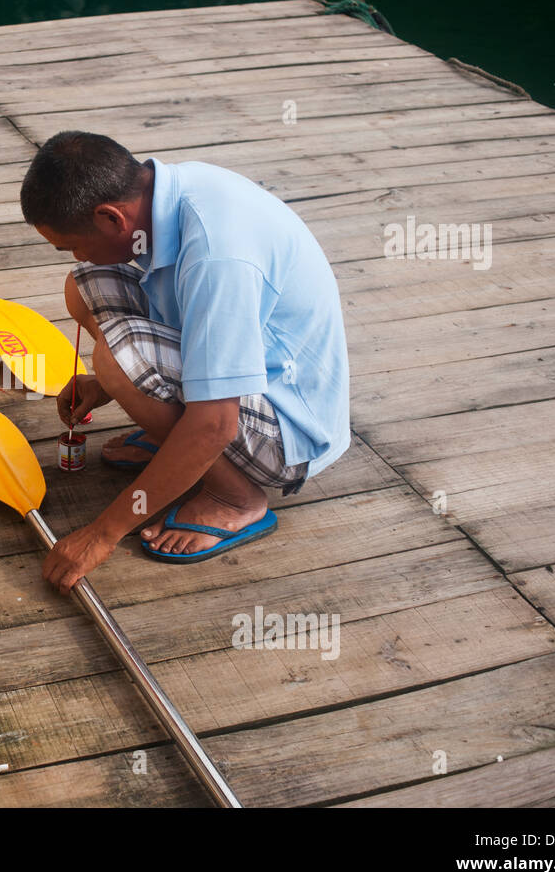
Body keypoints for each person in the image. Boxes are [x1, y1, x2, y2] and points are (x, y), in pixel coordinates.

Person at [20, 131, 350, 592]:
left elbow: (216, 423)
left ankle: (233, 497)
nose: (76, 255)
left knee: (118, 356)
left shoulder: (220, 255)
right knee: (86, 286)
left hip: (287, 433)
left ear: (111, 217)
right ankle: (168, 432)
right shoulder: (167, 190)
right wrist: (108, 386)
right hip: (240, 380)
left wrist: (104, 533)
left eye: (73, 243)